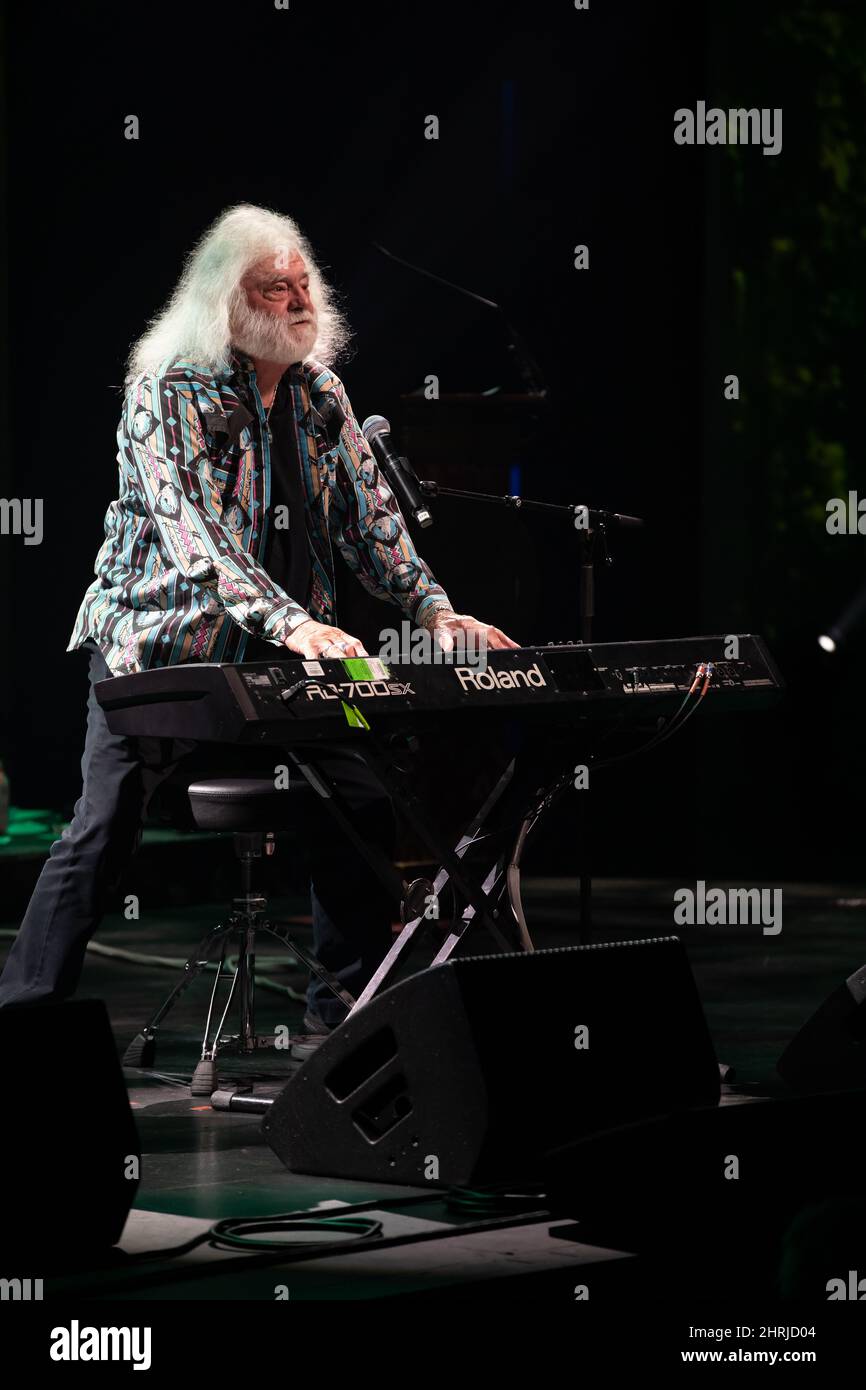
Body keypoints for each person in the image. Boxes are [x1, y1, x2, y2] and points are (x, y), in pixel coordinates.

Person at [0, 203, 517, 1033]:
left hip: (280, 653)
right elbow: (197, 539)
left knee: (358, 798)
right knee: (101, 834)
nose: (298, 300)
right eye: (275, 288)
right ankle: (21, 1015)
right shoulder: (166, 386)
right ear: (226, 303)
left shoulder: (319, 393)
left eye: (303, 284)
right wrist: (297, 625)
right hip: (160, 646)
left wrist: (436, 610)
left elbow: (371, 521)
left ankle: (345, 1011)